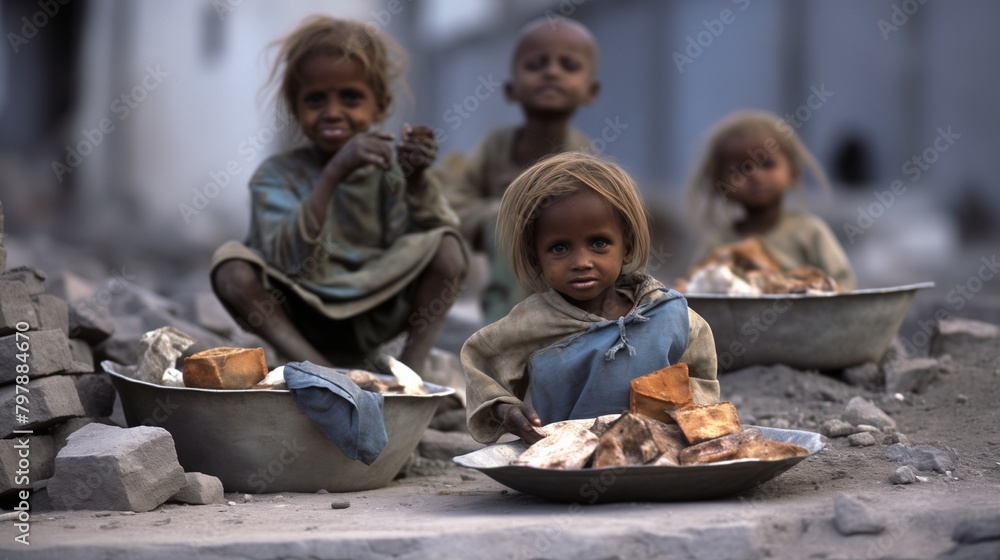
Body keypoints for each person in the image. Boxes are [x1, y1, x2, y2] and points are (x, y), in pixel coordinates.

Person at [210, 16, 467, 374]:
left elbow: (441, 241)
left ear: (379, 106)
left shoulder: (390, 171)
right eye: (316, 99)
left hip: (373, 311)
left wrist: (417, 179)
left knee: (448, 246)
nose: (333, 112)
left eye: (350, 97)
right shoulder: (275, 176)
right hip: (304, 315)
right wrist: (333, 173)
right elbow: (286, 258)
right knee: (231, 267)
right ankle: (319, 369)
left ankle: (411, 372)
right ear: (295, 109)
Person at [461, 152, 720, 445]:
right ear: (535, 258)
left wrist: (692, 416)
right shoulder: (531, 322)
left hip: (661, 454)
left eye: (599, 243)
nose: (581, 261)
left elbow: (701, 379)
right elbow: (481, 362)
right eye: (559, 248)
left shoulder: (668, 315)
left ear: (628, 247)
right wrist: (505, 409)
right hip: (565, 459)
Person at [444, 16, 600, 324]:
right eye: (535, 65)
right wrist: (503, 210)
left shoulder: (584, 159)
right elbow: (452, 205)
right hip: (504, 286)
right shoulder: (495, 147)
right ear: (511, 89)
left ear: (590, 91)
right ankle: (503, 328)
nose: (551, 72)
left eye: (568, 66)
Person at [685, 110, 856, 290]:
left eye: (767, 164)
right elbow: (695, 294)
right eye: (741, 170)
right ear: (718, 183)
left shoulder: (810, 233)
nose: (755, 176)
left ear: (794, 173)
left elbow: (843, 285)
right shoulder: (718, 245)